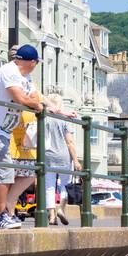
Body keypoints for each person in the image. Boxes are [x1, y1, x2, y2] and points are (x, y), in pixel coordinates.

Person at [0, 44, 45, 229]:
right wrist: (36, 105)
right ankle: (0, 216)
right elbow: (22, 99)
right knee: (4, 171)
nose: (35, 66)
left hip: (2, 129)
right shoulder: (10, 72)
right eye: (36, 63)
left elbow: (36, 96)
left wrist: (46, 106)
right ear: (32, 62)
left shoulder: (24, 77)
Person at [43, 93, 79, 226]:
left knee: (49, 187)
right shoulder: (64, 119)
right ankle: (61, 209)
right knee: (65, 185)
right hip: (63, 156)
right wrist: (76, 160)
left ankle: (52, 216)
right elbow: (69, 142)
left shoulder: (44, 118)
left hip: (47, 155)